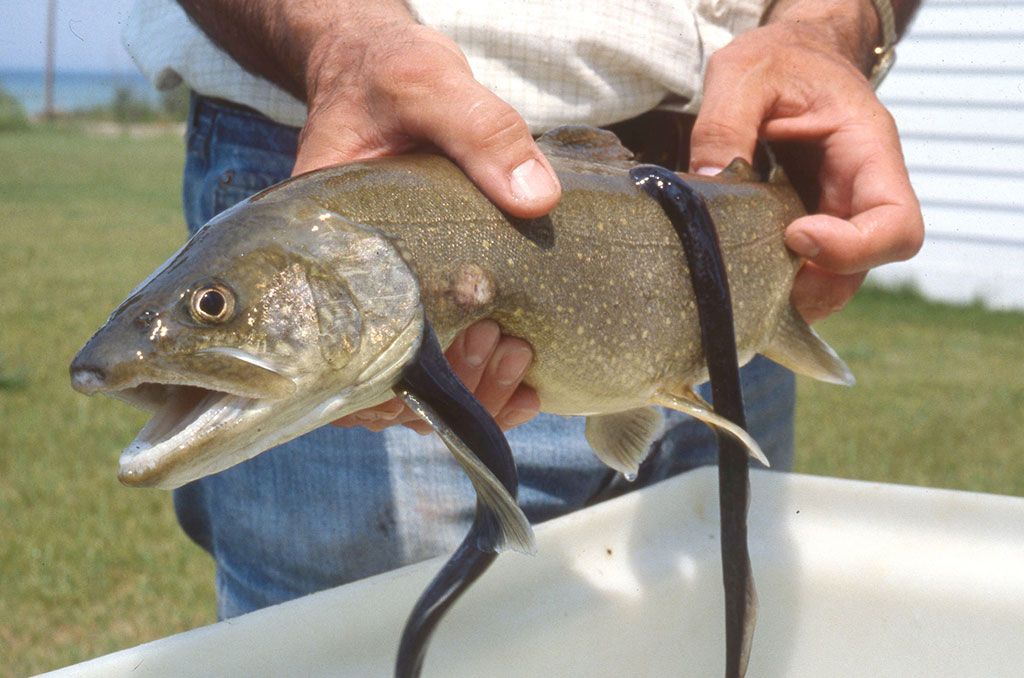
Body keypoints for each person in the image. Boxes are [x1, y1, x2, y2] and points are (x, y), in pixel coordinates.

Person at [124, 0, 923, 619]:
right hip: (346, 138)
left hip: (731, 198)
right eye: (215, 307)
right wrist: (345, 46)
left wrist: (832, 29)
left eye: (214, 308)